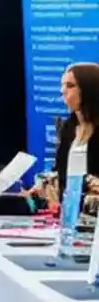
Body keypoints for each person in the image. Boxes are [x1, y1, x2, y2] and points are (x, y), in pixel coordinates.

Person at [53, 63, 99, 203]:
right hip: (72, 210)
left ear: (88, 89)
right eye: (63, 85)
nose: (63, 91)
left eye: (70, 86)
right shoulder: (68, 127)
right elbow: (61, 172)